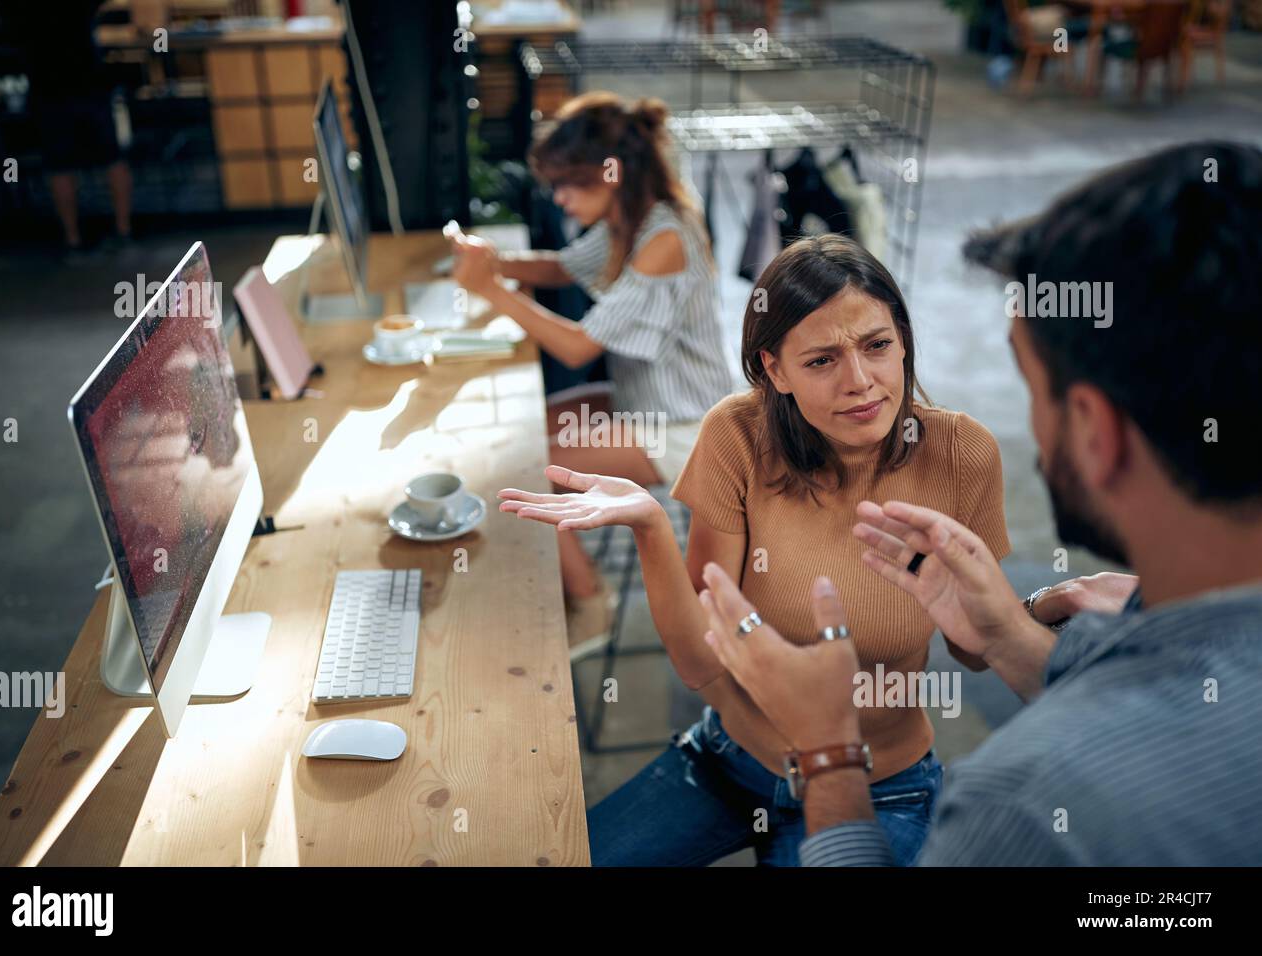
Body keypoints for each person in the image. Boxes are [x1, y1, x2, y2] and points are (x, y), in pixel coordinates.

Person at [699, 140, 1262, 866]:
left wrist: (832, 758)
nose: (860, 382)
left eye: (1033, 388)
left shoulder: (1025, 806)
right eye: (822, 360)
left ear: (1094, 431)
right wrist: (1013, 639)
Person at [499, 233, 1012, 865]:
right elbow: (701, 666)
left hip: (882, 788)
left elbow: (976, 647)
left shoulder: (963, 452)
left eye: (877, 345)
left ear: (902, 339)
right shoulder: (736, 435)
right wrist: (653, 526)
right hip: (729, 760)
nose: (861, 382)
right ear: (775, 370)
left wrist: (1030, 616)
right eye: (821, 360)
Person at [451, 92, 731, 655]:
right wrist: (495, 263)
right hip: (642, 399)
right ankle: (561, 574)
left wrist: (489, 289)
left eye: (569, 185)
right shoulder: (632, 216)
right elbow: (562, 267)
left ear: (612, 175)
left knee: (531, 465)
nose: (559, 198)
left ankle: (589, 600)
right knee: (519, 433)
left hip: (686, 428)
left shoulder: (664, 238)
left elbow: (578, 348)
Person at [0, 0, 134, 255]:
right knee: (112, 158)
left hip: (47, 87)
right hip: (87, 81)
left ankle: (73, 239)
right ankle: (123, 231)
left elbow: (4, 26)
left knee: (60, 165)